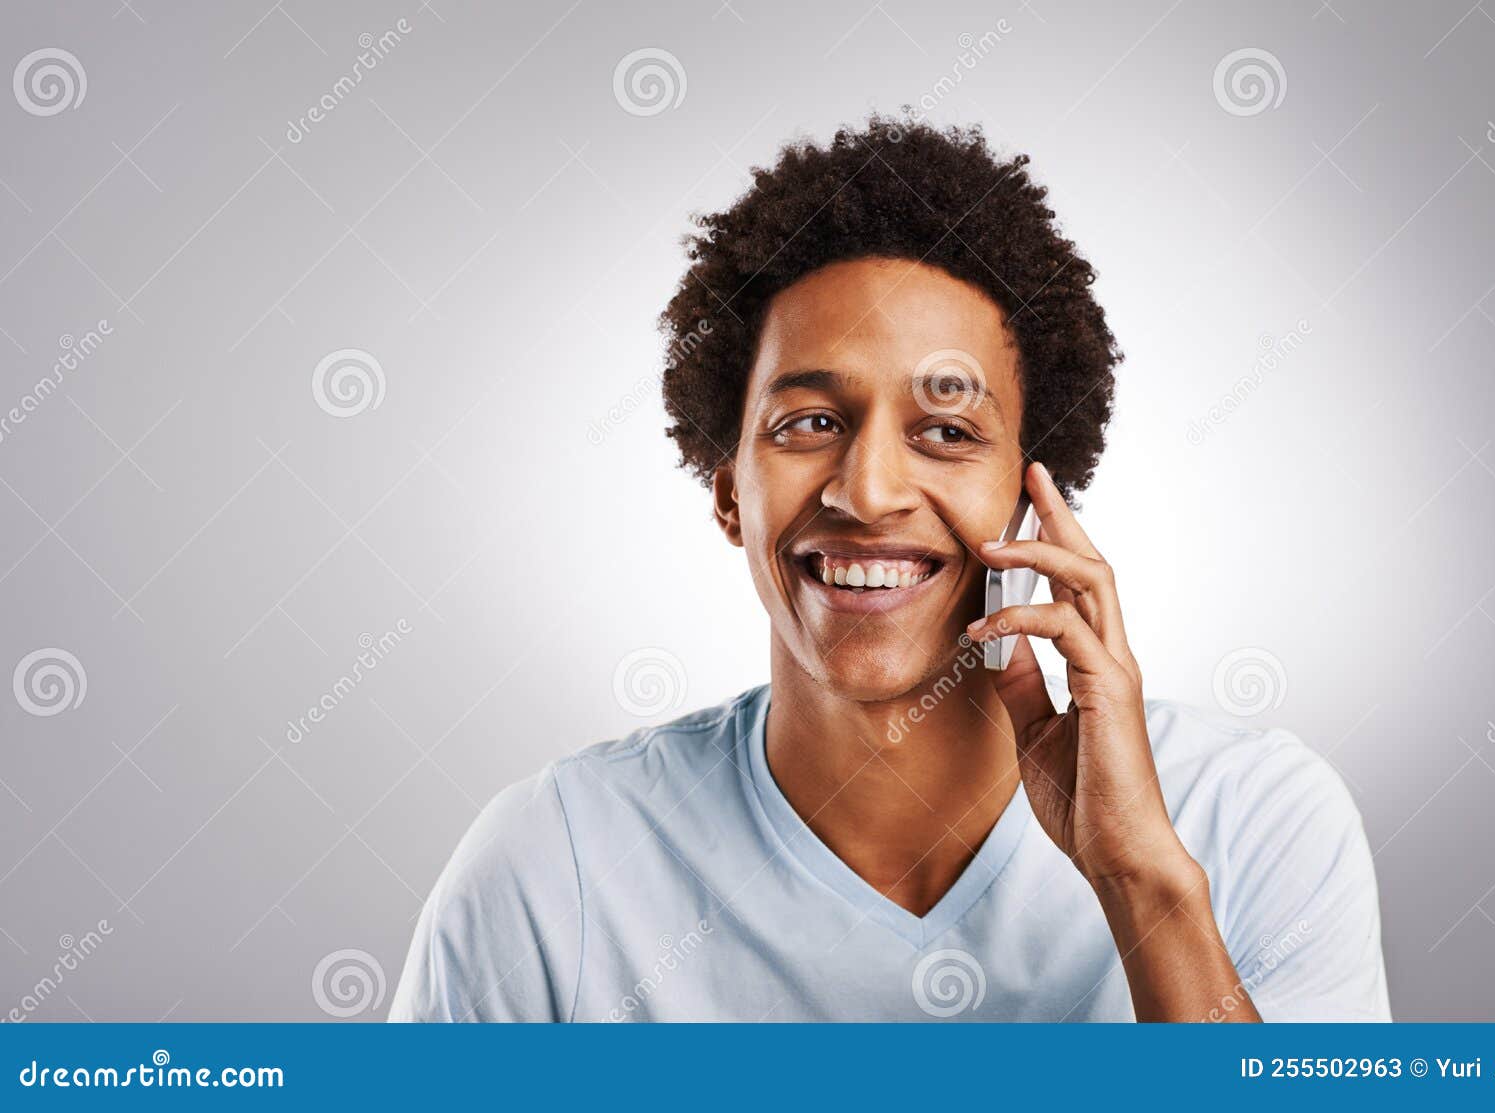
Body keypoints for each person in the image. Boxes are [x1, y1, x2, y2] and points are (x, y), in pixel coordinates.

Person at [391, 115, 1389, 1022]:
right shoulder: (553, 862)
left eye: (947, 430)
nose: (867, 492)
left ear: (1035, 496)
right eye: (810, 422)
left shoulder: (1251, 817)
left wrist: (1142, 883)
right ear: (729, 492)